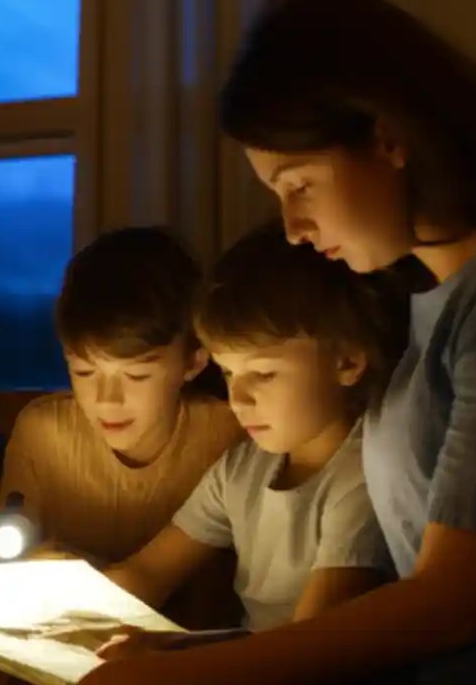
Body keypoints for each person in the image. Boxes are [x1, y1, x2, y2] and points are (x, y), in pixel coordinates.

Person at [83, 0, 476, 684]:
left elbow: (449, 605)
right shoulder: (434, 297)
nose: (292, 229)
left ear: (388, 135)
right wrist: (192, 650)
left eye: (299, 184)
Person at [105, 220, 400, 639]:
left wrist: (173, 658)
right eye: (228, 372)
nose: (238, 398)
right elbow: (148, 572)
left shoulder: (363, 477)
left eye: (262, 374)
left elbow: (308, 645)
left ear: (347, 362)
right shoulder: (243, 468)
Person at [0, 227, 243, 575]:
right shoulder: (43, 434)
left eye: (136, 376)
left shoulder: (232, 435)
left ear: (194, 361)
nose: (106, 400)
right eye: (84, 372)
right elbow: (10, 545)